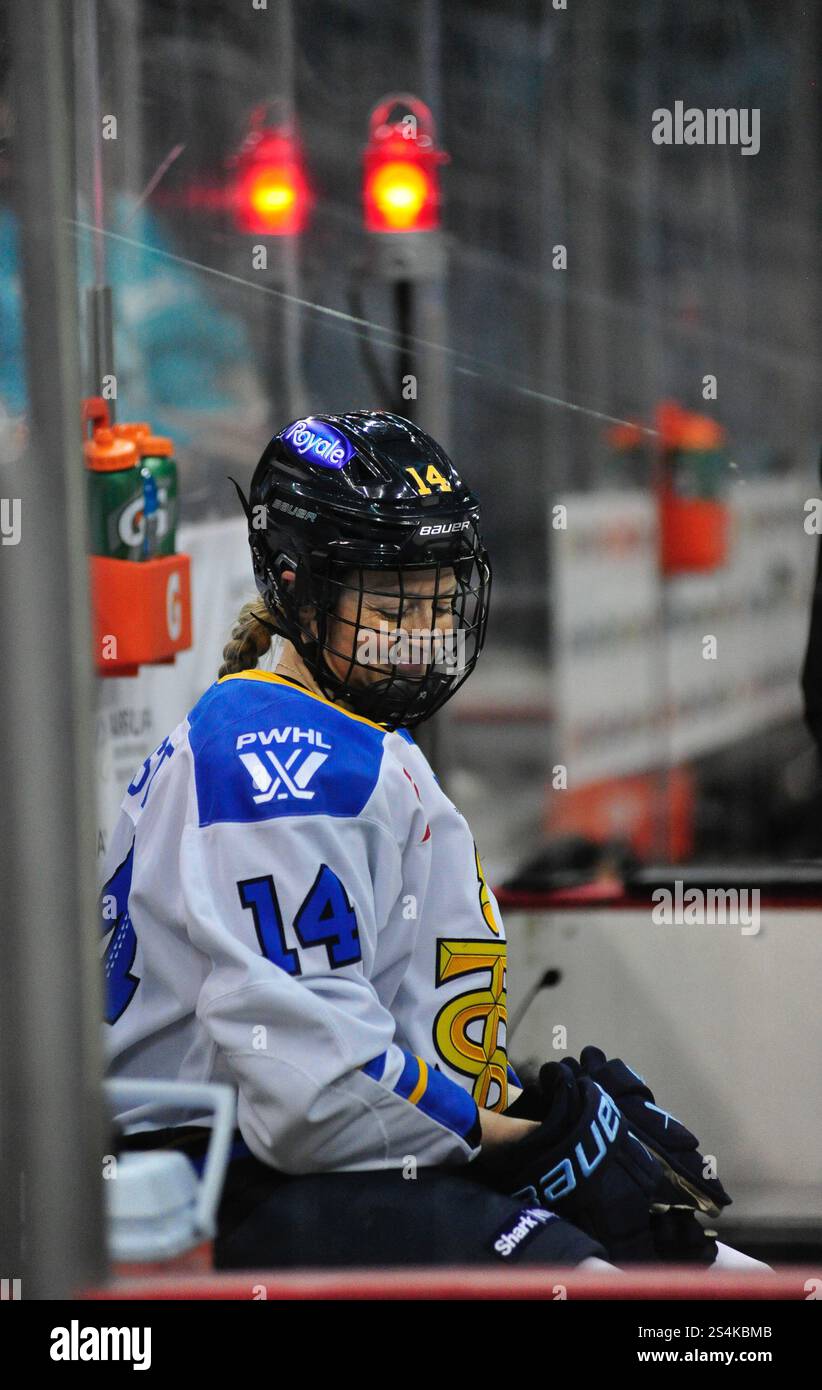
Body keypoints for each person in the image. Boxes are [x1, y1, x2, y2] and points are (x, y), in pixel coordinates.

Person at [102, 410, 763, 1273]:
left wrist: (536, 1102)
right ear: (298, 586)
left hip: (364, 1164)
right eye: (391, 596)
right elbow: (320, 1100)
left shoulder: (346, 729)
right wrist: (537, 1140)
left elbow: (386, 1034)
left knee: (726, 1280)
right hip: (242, 1188)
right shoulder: (278, 766)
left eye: (439, 590)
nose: (423, 628)